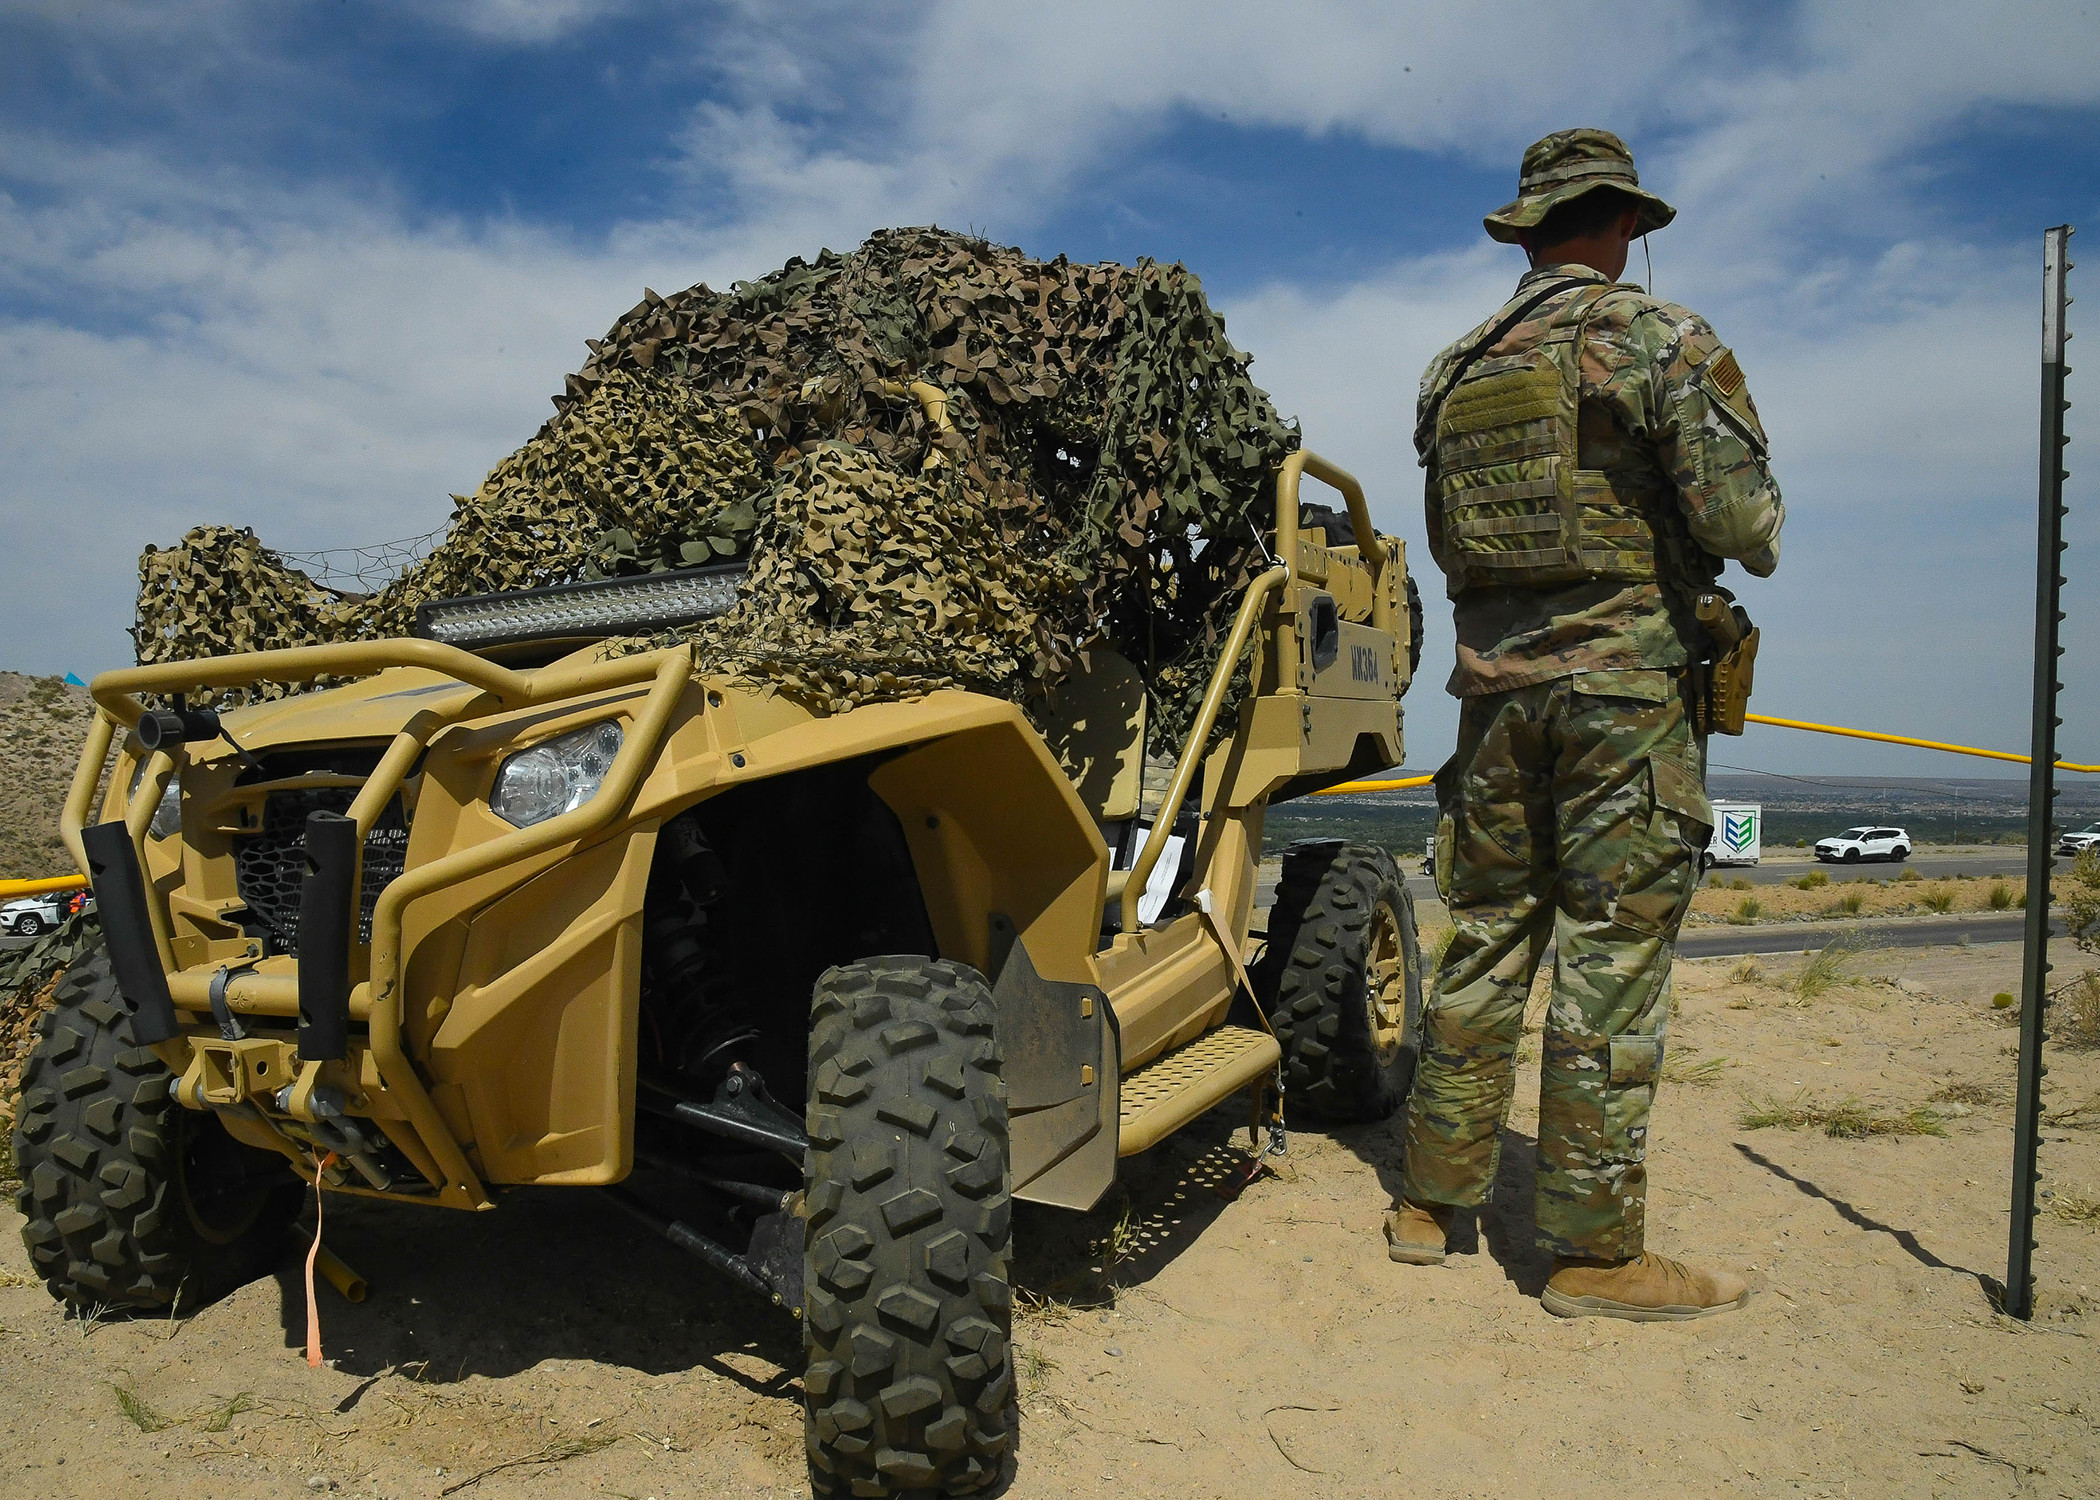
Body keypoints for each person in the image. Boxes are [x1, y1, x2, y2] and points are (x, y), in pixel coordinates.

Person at [1388, 128, 1784, 1320]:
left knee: (1486, 936)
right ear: (1621, 223)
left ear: (1531, 227)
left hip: (1493, 701)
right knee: (1612, 959)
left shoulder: (1452, 368)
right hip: (1623, 700)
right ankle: (1596, 1257)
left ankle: (1429, 1201)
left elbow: (1460, 542)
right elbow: (1744, 522)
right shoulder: (1659, 338)